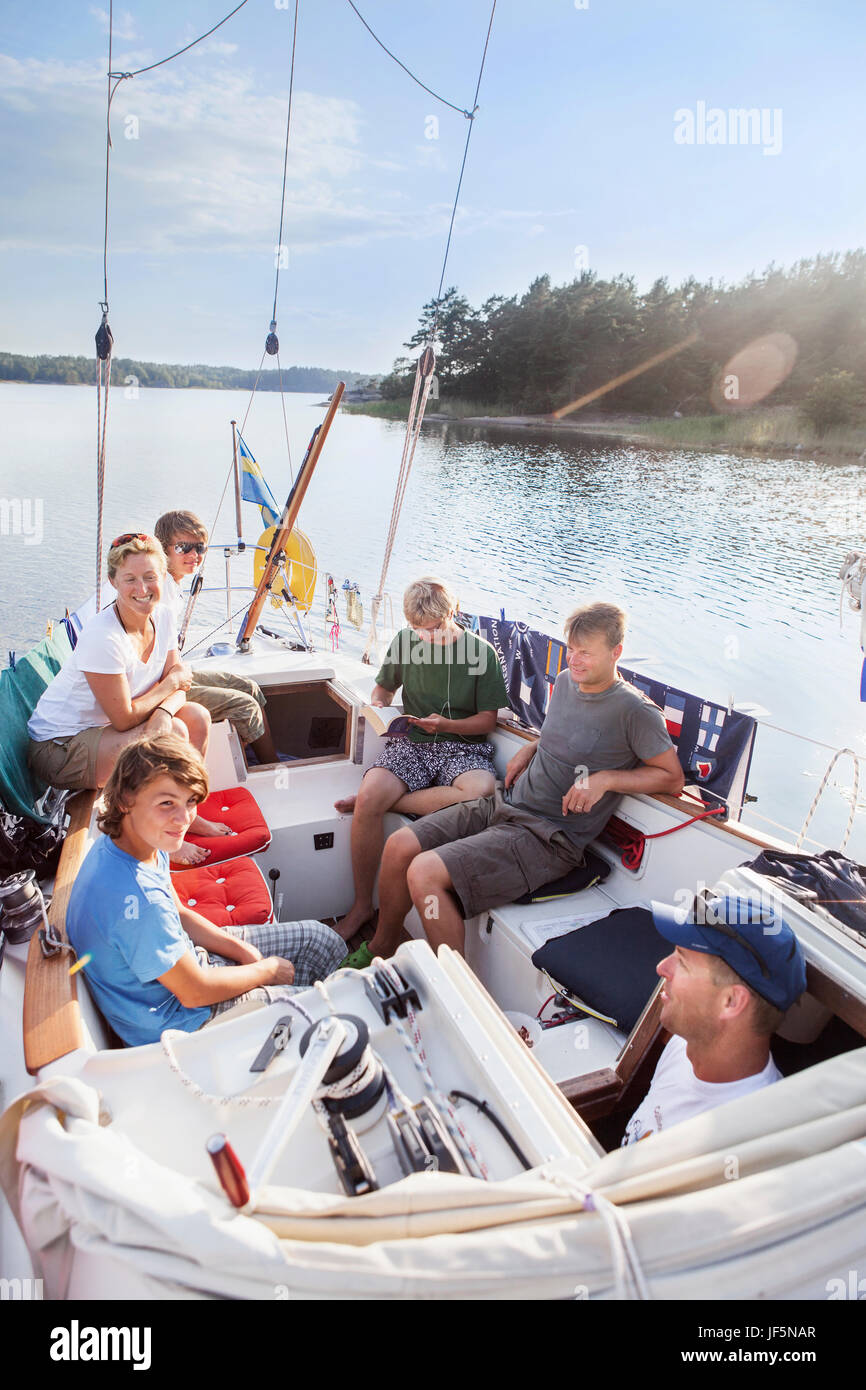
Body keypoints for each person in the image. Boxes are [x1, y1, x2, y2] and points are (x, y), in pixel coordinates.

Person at [356, 601, 685, 964]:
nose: (574, 661)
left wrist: (605, 779)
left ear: (616, 652)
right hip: (506, 802)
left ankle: (455, 991)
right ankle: (381, 946)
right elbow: (558, 734)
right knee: (400, 845)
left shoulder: (635, 711)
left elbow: (672, 779)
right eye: (571, 650)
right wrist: (531, 749)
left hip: (548, 836)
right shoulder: (564, 682)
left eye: (585, 653)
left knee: (424, 871)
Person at [66, 733, 345, 1047]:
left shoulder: (138, 843)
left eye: (190, 802)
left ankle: (340, 994)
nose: (183, 819)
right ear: (123, 801)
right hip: (182, 1022)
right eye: (166, 803)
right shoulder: (138, 901)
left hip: (189, 968)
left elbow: (180, 913)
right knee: (317, 1009)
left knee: (321, 940)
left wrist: (241, 952)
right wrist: (266, 971)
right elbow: (194, 991)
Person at [334, 577, 508, 953]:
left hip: (460, 745)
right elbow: (384, 687)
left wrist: (445, 725)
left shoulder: (480, 652)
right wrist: (378, 704)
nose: (425, 636)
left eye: (433, 628)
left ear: (452, 614)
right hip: (412, 740)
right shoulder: (404, 641)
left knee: (480, 791)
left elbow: (486, 721)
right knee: (369, 798)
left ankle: (385, 801)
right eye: (418, 629)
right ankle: (362, 906)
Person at [622, 891, 807, 1144]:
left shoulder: (751, 1139)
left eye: (683, 963)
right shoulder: (682, 1046)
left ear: (731, 1002)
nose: (662, 967)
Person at [153, 509, 277, 766]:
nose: (194, 556)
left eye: (200, 548)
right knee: (246, 706)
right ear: (164, 549)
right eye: (184, 547)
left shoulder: (172, 586)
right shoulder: (158, 591)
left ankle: (269, 763)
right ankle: (252, 769)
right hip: (159, 684)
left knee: (250, 687)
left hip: (172, 673)